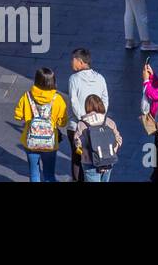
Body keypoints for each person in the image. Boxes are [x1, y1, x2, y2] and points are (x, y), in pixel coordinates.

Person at [14, 67, 69, 182]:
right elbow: (63, 123)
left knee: (34, 173)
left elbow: (18, 116)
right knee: (49, 174)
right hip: (50, 143)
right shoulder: (58, 99)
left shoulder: (27, 96)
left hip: (30, 141)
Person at [66, 49, 109, 182]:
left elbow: (74, 101)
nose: (71, 62)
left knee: (77, 157)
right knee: (95, 154)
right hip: (98, 124)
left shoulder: (73, 79)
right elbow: (105, 99)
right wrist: (100, 117)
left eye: (73, 59)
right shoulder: (100, 78)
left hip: (76, 125)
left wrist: (83, 119)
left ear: (80, 61)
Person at [77, 95, 122, 182]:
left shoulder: (82, 124)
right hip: (108, 160)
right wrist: (113, 150)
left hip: (89, 162)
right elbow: (118, 139)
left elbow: (78, 144)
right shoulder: (109, 122)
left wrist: (81, 152)